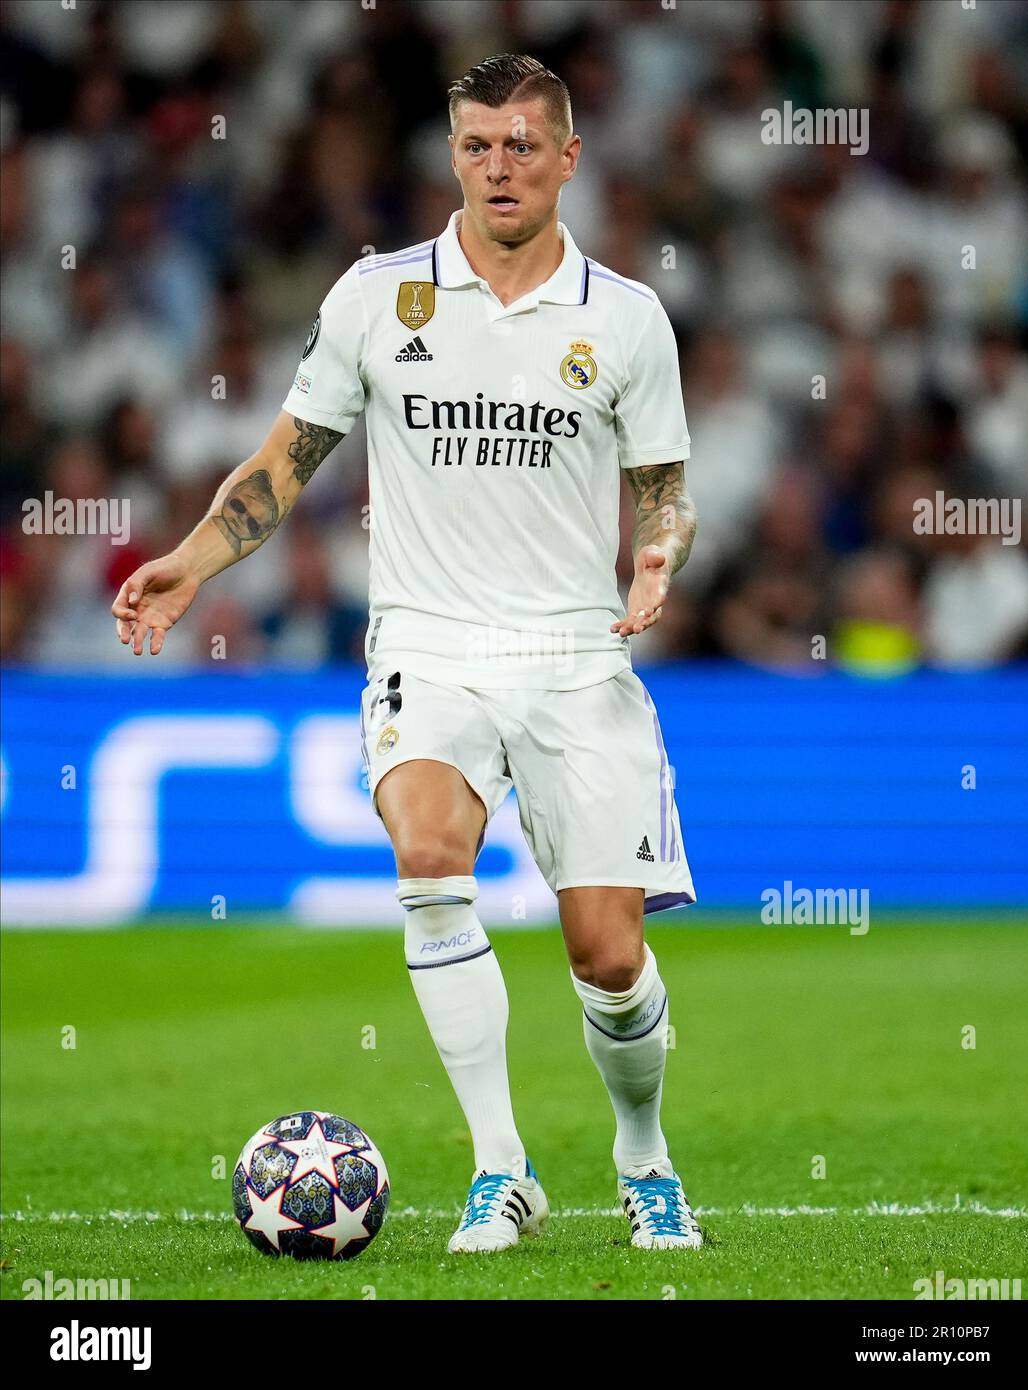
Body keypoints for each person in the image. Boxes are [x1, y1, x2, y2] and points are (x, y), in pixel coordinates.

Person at [111, 54, 701, 1253]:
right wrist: (191, 557)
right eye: (477, 144)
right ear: (452, 155)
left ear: (566, 159)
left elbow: (665, 492)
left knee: (608, 952)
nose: (498, 166)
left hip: (571, 654)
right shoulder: (377, 298)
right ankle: (502, 1166)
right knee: (431, 854)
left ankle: (641, 1151)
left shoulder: (626, 319)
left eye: (522, 145)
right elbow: (285, 460)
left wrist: (656, 556)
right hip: (425, 645)